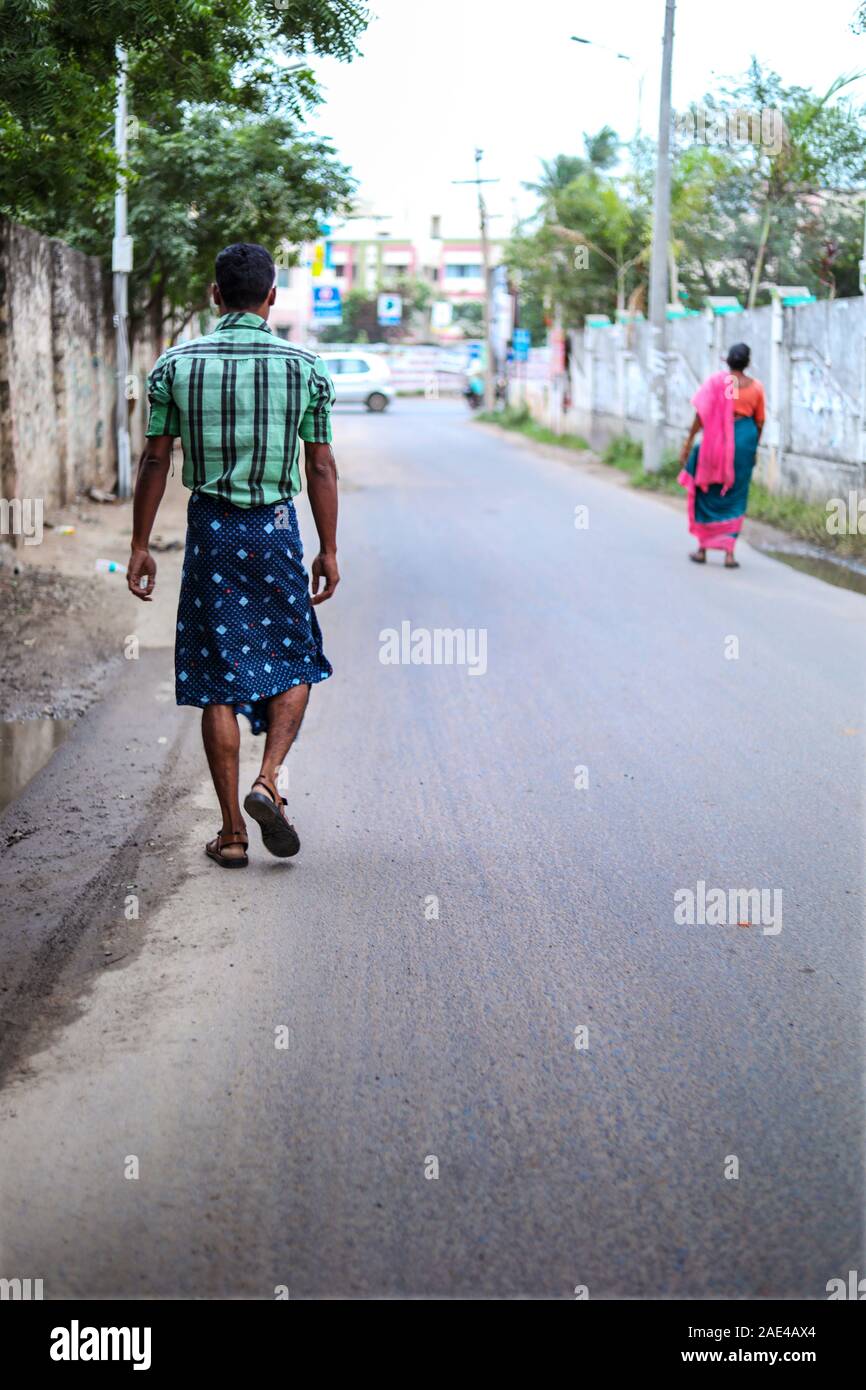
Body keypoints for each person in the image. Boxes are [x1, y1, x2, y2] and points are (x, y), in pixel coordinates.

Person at [128, 242, 339, 867]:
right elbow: (320, 464)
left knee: (216, 676)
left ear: (215, 295)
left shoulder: (175, 364)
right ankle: (268, 778)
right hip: (276, 530)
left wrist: (139, 545)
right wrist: (328, 548)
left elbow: (156, 460)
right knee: (295, 655)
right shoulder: (305, 366)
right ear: (271, 298)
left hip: (212, 533)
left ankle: (231, 834)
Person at [678, 343, 765, 570]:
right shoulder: (756, 388)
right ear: (747, 363)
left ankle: (702, 549)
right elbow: (760, 421)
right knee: (736, 496)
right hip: (744, 443)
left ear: (727, 361)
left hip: (715, 444)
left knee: (706, 491)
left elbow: (702, 414)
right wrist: (753, 448)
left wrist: (688, 443)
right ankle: (729, 553)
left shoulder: (721, 383)